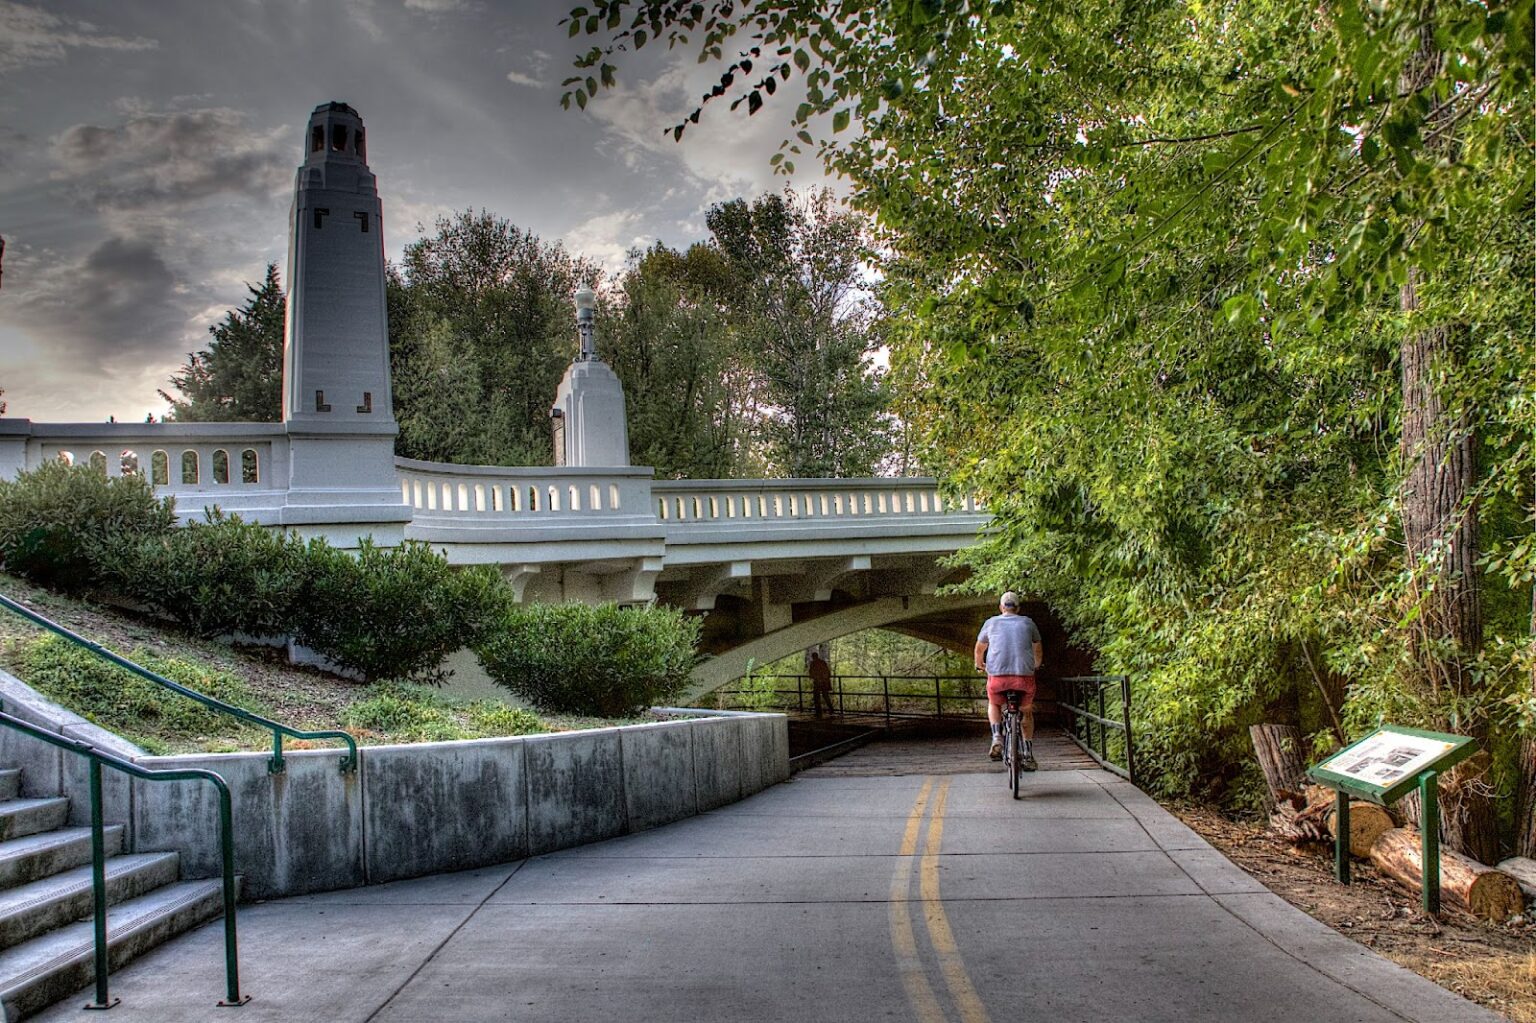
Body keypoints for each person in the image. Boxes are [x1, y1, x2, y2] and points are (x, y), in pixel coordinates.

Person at [975, 591, 1044, 768]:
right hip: (1023, 677)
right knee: (1026, 711)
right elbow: (1037, 649)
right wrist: (1036, 665)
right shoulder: (1028, 623)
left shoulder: (991, 623)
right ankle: (1028, 754)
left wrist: (979, 665)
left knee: (994, 703)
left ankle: (997, 735)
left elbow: (979, 649)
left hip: (998, 677)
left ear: (1001, 607)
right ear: (1018, 608)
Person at [808, 649, 834, 717]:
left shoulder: (813, 664)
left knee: (817, 697)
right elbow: (828, 673)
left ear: (813, 657)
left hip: (817, 683)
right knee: (825, 696)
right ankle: (831, 709)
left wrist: (817, 678)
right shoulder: (823, 662)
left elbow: (811, 674)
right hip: (824, 683)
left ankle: (818, 712)